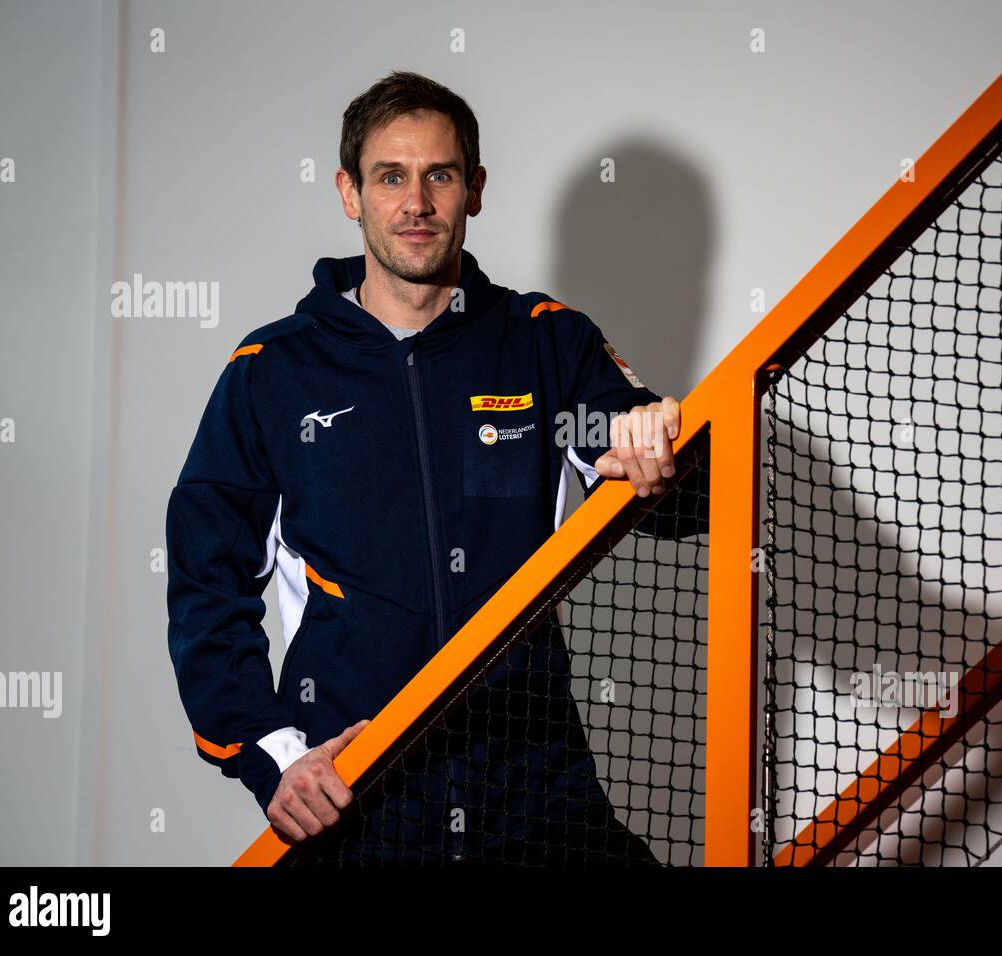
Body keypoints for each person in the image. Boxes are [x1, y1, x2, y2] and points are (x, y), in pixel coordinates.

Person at [164, 70, 704, 865]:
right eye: (391, 177)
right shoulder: (270, 371)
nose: (416, 203)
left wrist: (662, 451)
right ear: (350, 193)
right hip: (363, 794)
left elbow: (658, 478)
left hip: (535, 790)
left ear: (474, 189)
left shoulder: (544, 342)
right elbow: (205, 585)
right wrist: (273, 758)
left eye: (439, 176)